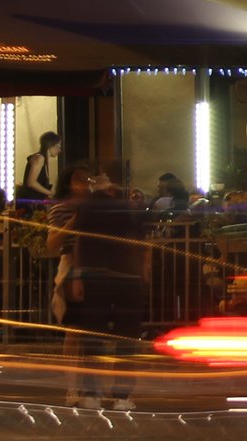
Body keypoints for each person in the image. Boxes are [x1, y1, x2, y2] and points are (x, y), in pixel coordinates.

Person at [47, 162, 151, 410]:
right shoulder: (94, 208)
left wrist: (142, 271)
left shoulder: (122, 206)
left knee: (116, 338)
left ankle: (113, 393)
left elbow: (142, 241)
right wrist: (80, 275)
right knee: (93, 335)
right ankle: (96, 391)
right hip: (103, 277)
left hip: (117, 278)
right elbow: (79, 243)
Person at [19, 131, 63, 201]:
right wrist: (50, 193)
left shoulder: (44, 159)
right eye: (58, 146)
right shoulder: (40, 158)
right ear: (51, 145)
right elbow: (31, 182)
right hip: (31, 202)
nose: (60, 150)